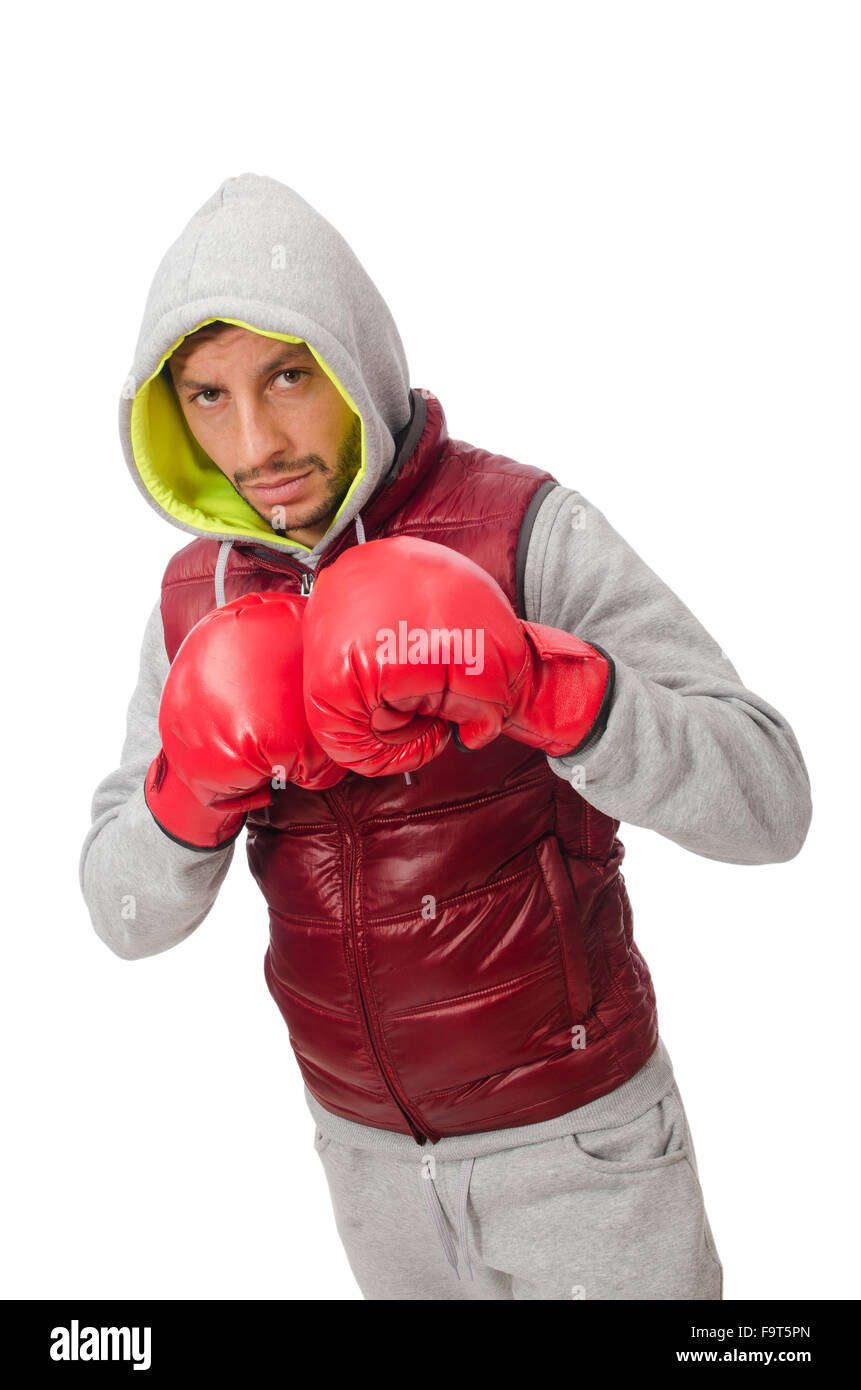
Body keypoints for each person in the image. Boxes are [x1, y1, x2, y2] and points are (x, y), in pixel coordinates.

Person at [79, 171, 812, 1301]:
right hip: (368, 1172)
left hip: (583, 1156)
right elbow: (119, 913)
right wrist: (190, 792)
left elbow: (771, 802)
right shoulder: (198, 599)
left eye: (287, 375)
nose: (258, 440)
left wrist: (549, 684)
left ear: (353, 359)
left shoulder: (527, 531)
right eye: (208, 395)